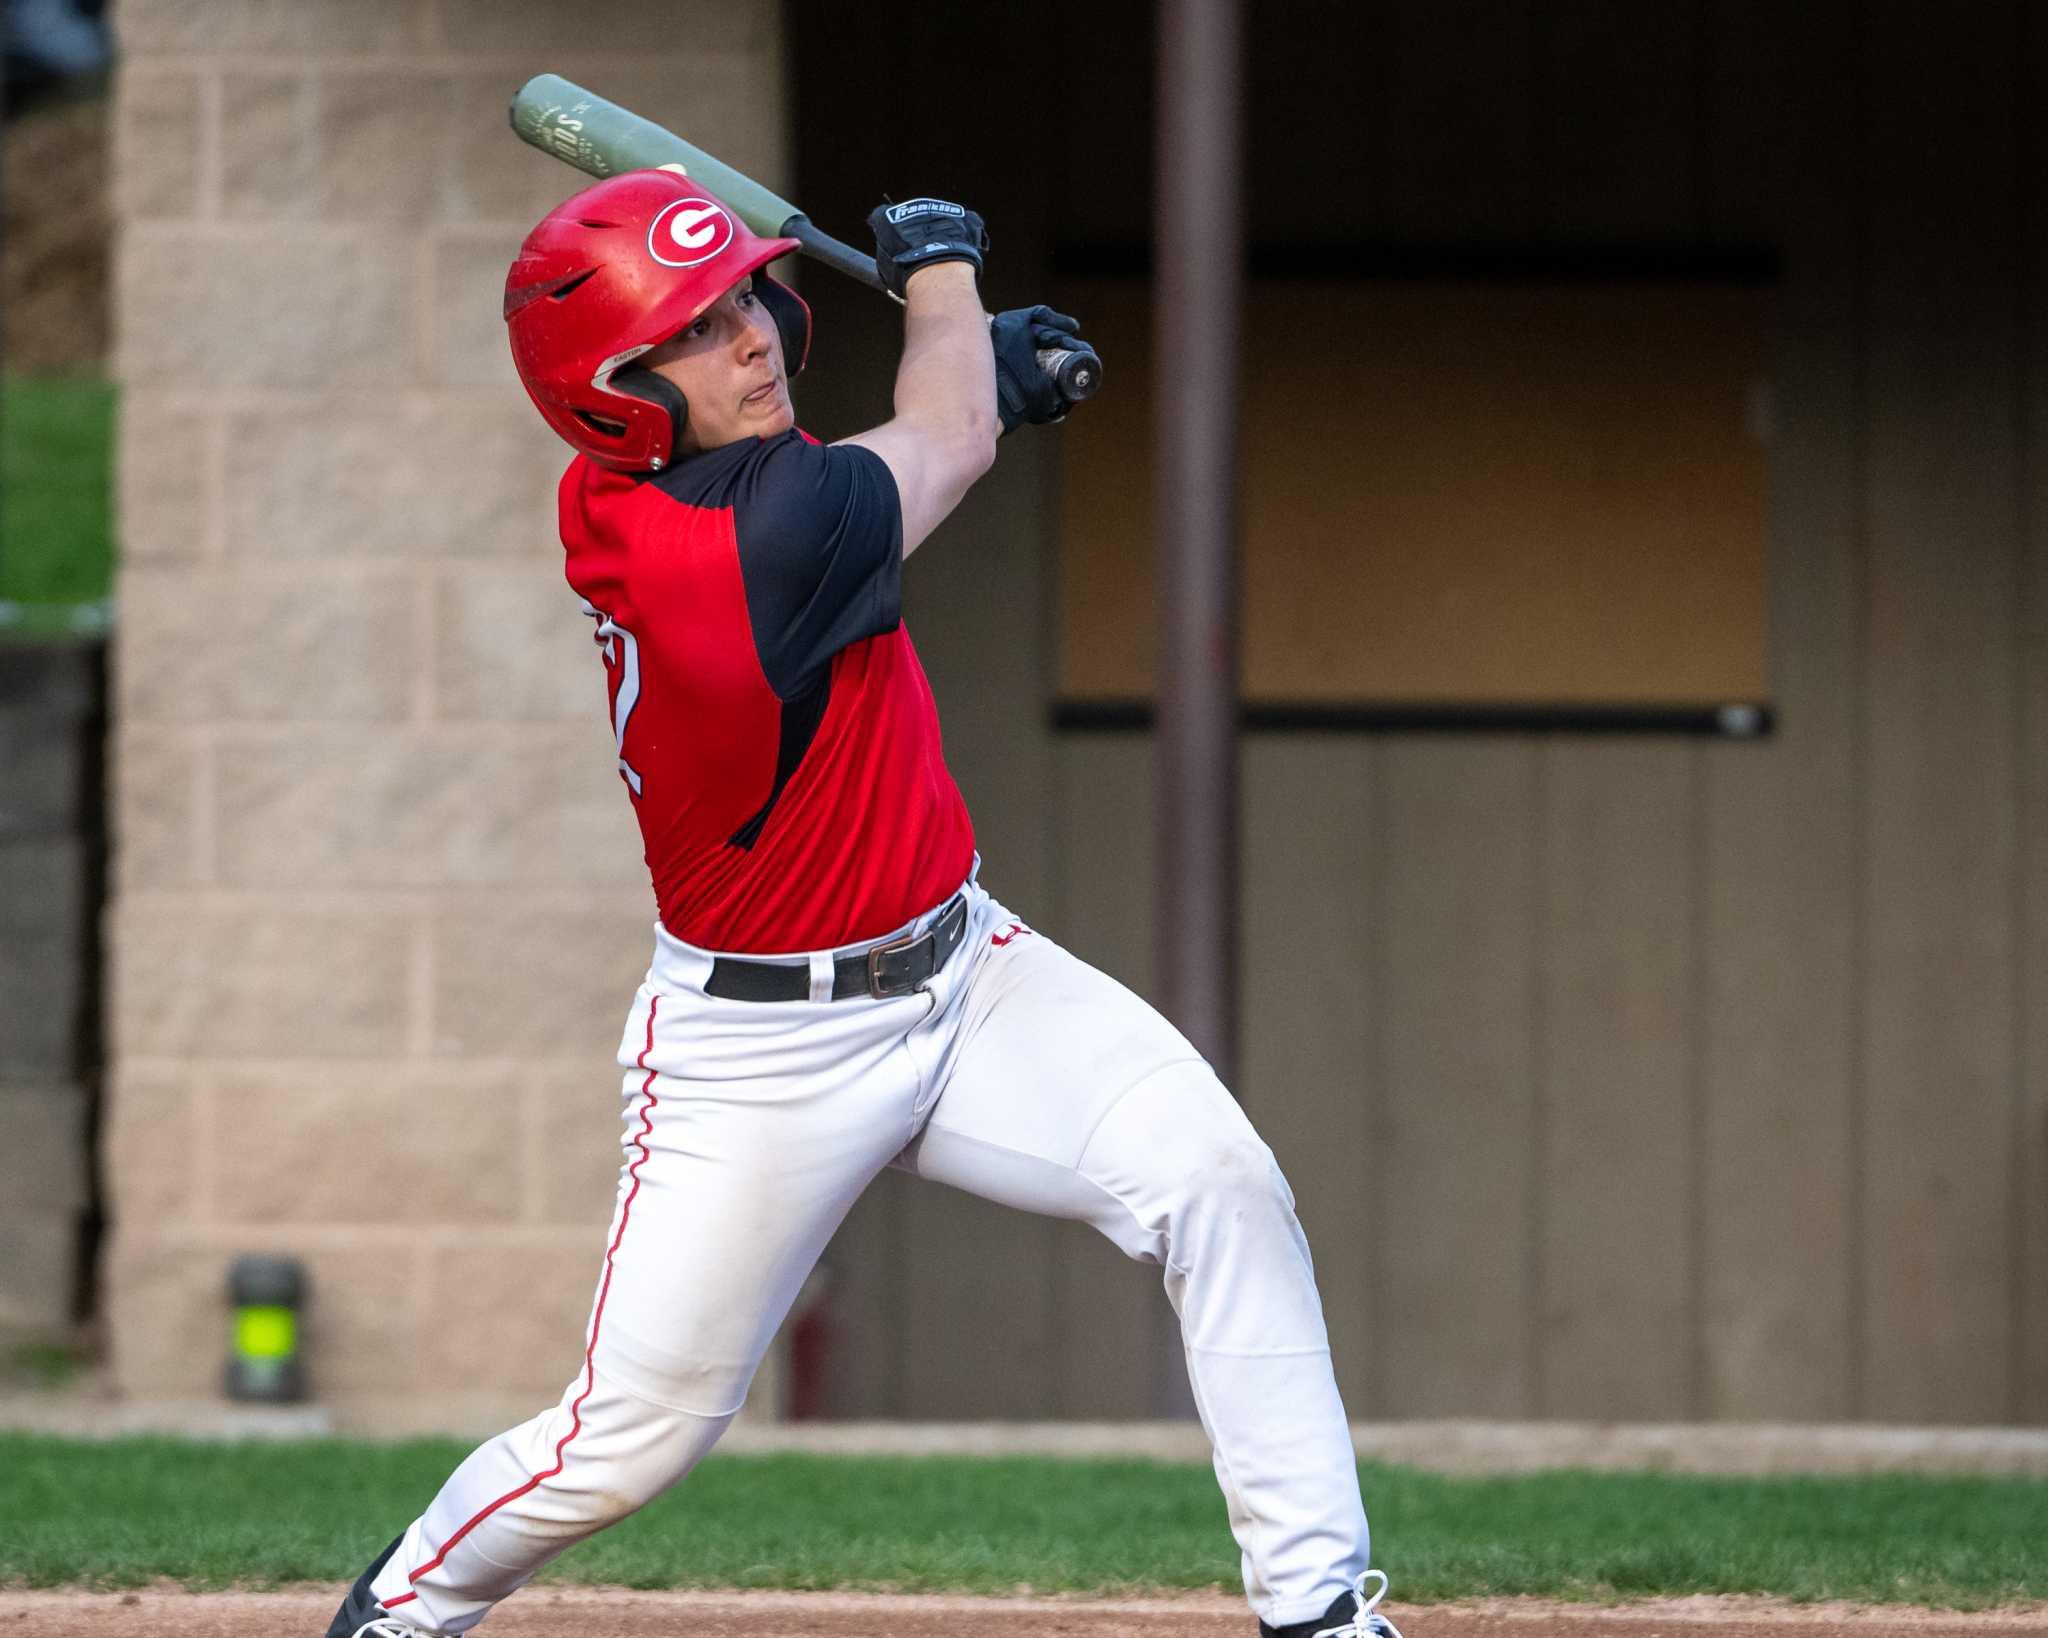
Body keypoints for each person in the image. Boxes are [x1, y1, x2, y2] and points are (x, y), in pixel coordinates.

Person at [325, 168, 1401, 1638]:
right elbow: (939, 440)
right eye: (697, 330)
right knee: (631, 1435)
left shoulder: (703, 479)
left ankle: (1321, 1608)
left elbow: (913, 449)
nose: (755, 336)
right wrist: (946, 276)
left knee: (1216, 1179)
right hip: (759, 1057)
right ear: (618, 399)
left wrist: (976, 368)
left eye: (747, 300)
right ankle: (401, 1606)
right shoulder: (719, 545)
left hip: (970, 975)